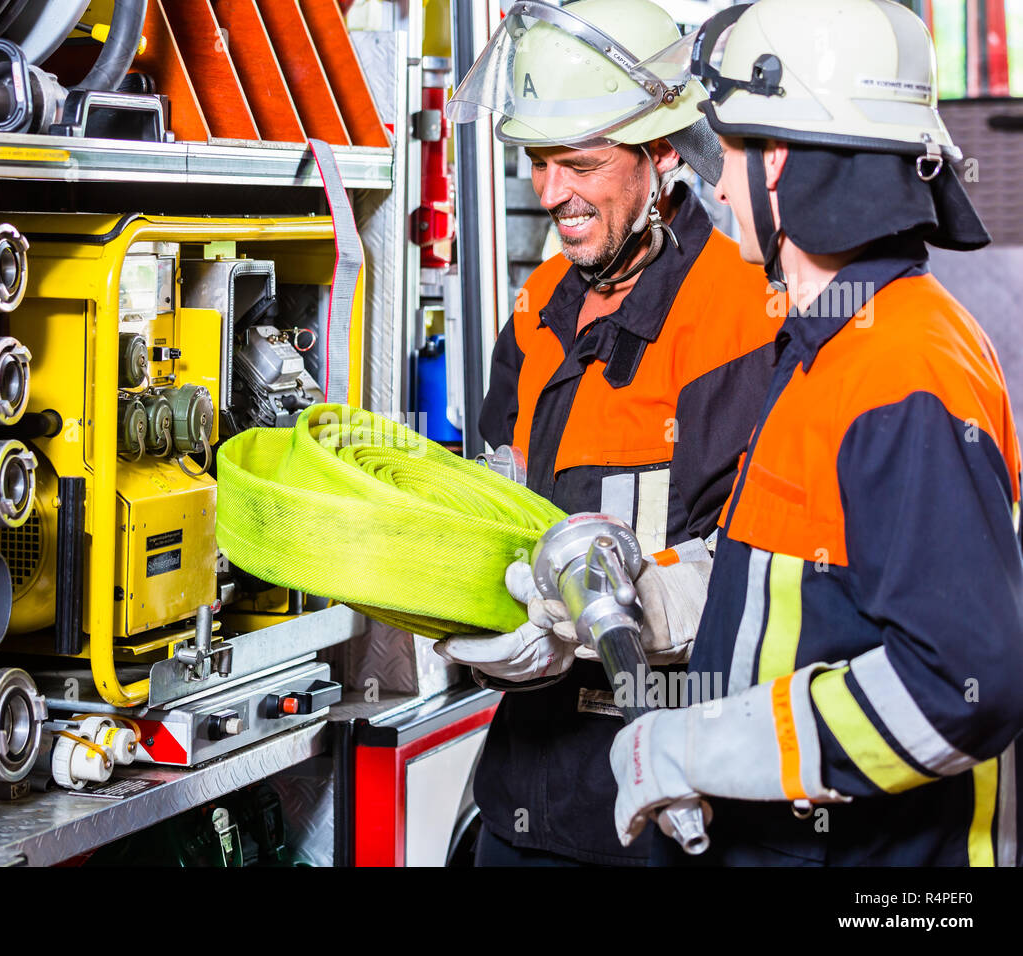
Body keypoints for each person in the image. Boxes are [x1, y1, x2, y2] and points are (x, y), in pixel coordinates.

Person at [609, 0, 1023, 866]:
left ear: (782, 160)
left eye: (730, 153)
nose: (716, 186)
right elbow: (794, 577)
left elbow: (963, 686)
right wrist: (632, 598)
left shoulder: (905, 369)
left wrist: (699, 748)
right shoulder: (829, 338)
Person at [435, 0, 780, 865]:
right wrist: (469, 615)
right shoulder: (537, 311)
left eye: (580, 164)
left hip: (668, 811)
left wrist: (619, 617)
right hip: (522, 804)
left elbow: (765, 581)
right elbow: (494, 512)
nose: (552, 193)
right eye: (539, 162)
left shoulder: (741, 318)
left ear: (662, 156)